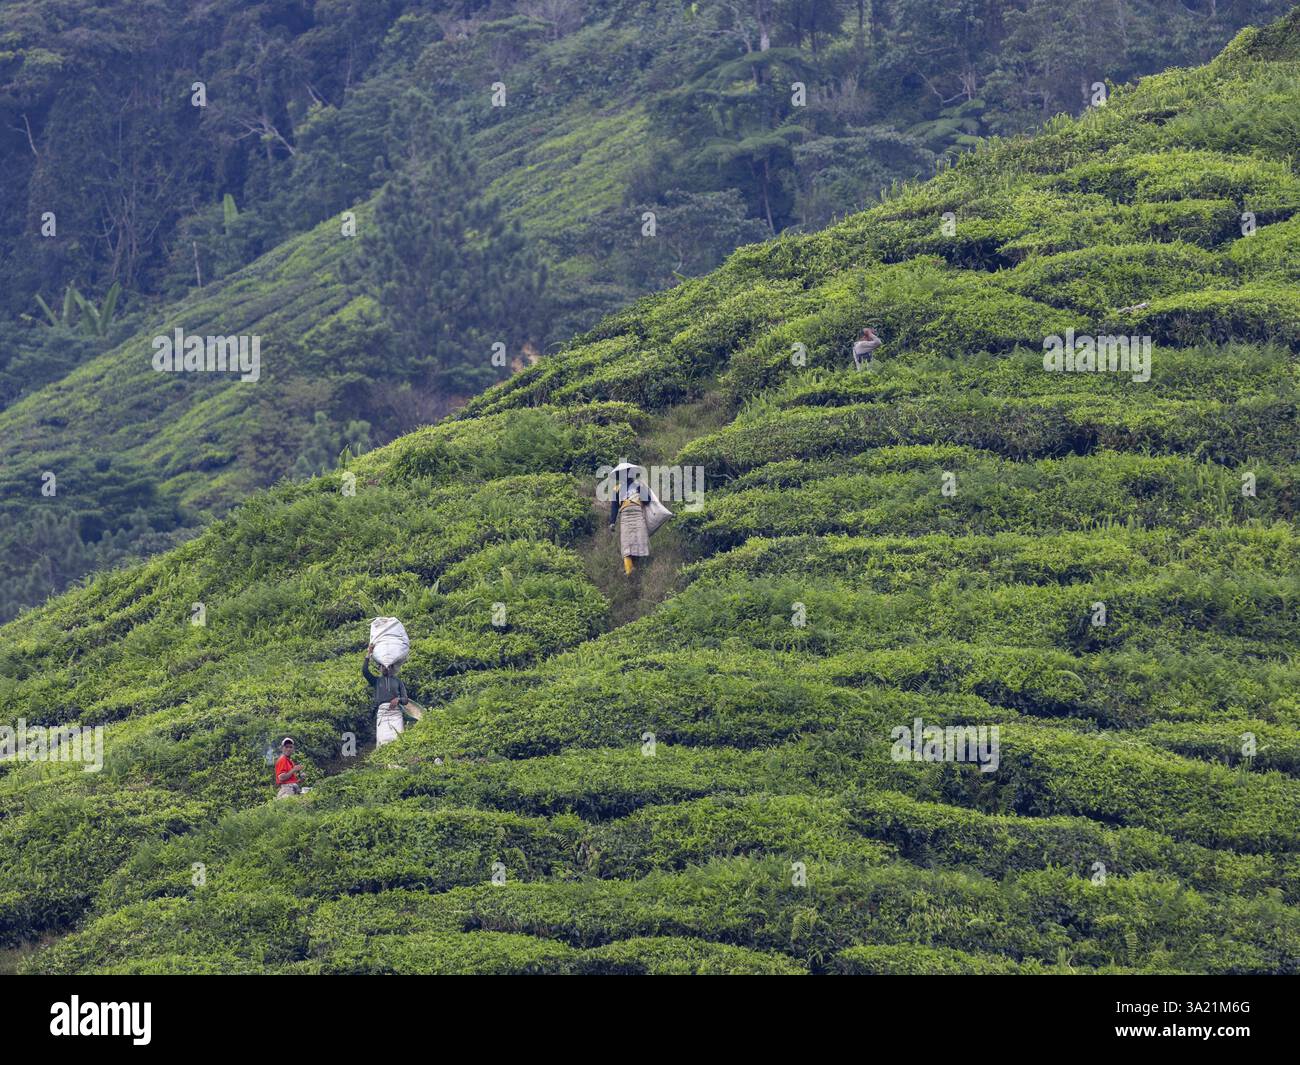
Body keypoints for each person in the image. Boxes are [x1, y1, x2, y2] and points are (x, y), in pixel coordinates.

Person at [608, 461, 652, 576]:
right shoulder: (616, 489)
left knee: (640, 539)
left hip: (637, 515)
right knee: (626, 542)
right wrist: (612, 522)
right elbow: (614, 507)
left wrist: (642, 488)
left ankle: (643, 568)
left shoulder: (638, 485)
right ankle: (629, 571)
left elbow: (647, 500)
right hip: (625, 517)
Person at [363, 643, 410, 747]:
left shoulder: (398, 681)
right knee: (382, 742)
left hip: (396, 714)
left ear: (392, 668)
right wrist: (369, 653)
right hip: (382, 714)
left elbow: (405, 700)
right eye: (382, 666)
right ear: (379, 668)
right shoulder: (376, 681)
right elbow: (365, 671)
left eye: (387, 666)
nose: (385, 668)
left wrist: (398, 699)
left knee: (398, 740)